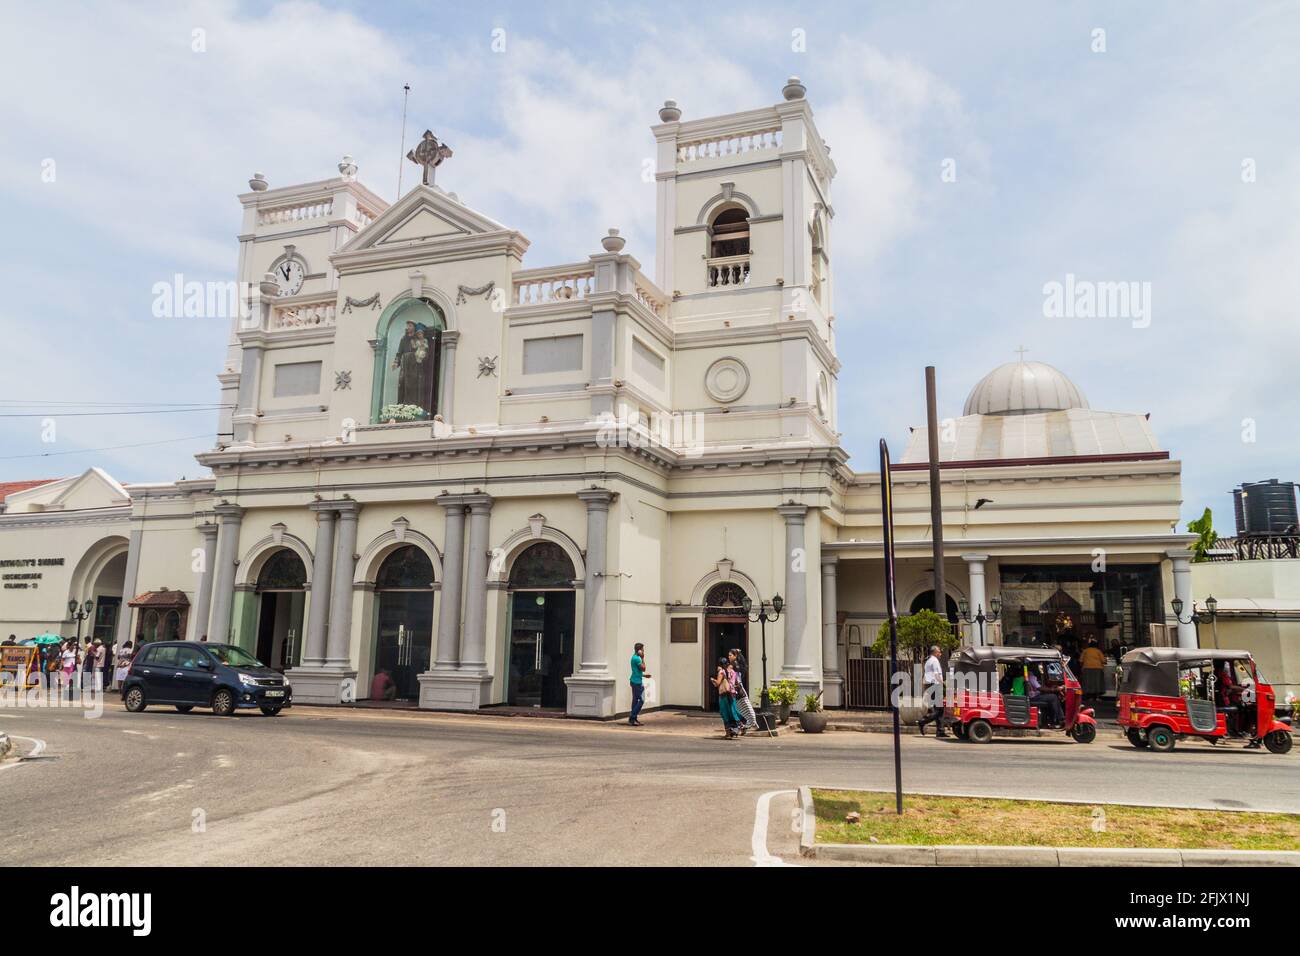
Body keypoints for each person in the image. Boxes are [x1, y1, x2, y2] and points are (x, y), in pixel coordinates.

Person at [916, 645, 948, 737]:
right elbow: (936, 674)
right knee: (939, 710)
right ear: (934, 652)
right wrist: (943, 684)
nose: (940, 653)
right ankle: (922, 722)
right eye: (939, 652)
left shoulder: (929, 661)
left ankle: (940, 731)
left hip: (931, 686)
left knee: (939, 709)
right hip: (935, 686)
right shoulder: (934, 661)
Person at [728, 648, 759, 732]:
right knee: (741, 707)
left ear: (735, 656)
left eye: (730, 655)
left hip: (738, 689)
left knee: (744, 706)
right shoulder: (736, 664)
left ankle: (751, 722)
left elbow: (733, 676)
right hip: (737, 688)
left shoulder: (734, 664)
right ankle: (752, 722)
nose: (729, 657)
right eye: (729, 655)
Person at [711, 657, 741, 738]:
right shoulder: (731, 671)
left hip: (724, 695)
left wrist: (713, 680)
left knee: (724, 713)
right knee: (732, 711)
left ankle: (728, 734)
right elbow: (736, 682)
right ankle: (735, 729)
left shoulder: (721, 672)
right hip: (731, 694)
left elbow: (717, 683)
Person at [628, 643, 649, 726]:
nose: (644, 651)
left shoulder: (634, 657)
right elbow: (643, 668)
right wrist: (643, 658)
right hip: (637, 683)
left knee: (635, 701)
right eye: (643, 649)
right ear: (639, 650)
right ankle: (632, 716)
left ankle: (633, 719)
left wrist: (644, 675)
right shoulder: (637, 658)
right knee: (642, 700)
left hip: (635, 680)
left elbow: (637, 671)